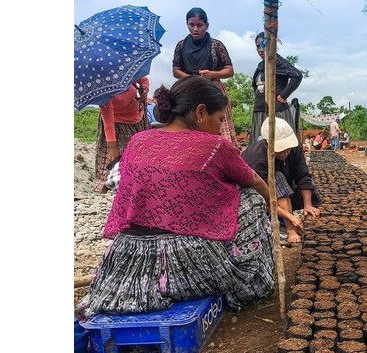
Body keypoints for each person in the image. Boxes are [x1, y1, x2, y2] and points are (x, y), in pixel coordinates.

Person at [78, 75, 275, 318]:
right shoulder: (214, 145)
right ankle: (250, 286)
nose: (220, 126)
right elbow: (254, 181)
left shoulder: (138, 140)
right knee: (251, 199)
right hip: (190, 267)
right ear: (201, 112)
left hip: (127, 262)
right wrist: (271, 207)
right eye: (220, 119)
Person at [241, 117, 321, 244]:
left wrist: (307, 204)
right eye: (281, 150)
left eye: (287, 149)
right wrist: (291, 218)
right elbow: (267, 199)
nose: (285, 153)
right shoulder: (256, 161)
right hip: (256, 198)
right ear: (267, 144)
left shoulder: (294, 148)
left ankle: (287, 219)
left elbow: (303, 176)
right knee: (278, 178)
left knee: (313, 192)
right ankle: (290, 230)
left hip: (284, 191)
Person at [172, 7, 236, 142]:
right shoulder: (181, 46)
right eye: (191, 25)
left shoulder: (216, 45)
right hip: (190, 91)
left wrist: (212, 74)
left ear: (206, 26)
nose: (195, 29)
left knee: (219, 128)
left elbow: (229, 70)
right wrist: (191, 79)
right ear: (187, 24)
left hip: (213, 90)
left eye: (199, 25)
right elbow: (176, 70)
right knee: (191, 125)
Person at [94, 76, 150, 192]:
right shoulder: (104, 93)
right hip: (118, 124)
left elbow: (144, 79)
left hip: (137, 118)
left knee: (139, 153)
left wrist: (144, 89)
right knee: (116, 156)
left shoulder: (126, 74)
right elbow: (108, 124)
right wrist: (113, 148)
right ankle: (108, 182)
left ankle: (139, 181)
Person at [250, 31, 304, 145]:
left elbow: (297, 75)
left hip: (277, 112)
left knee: (281, 145)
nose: (260, 49)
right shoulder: (261, 65)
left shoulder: (277, 61)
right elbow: (255, 85)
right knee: (259, 146)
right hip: (259, 112)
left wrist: (283, 96)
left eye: (264, 45)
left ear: (272, 45)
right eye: (258, 46)